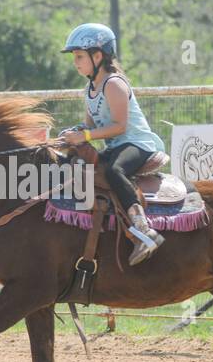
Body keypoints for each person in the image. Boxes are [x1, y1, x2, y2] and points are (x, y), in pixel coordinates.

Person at [59, 22, 167, 265]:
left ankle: (144, 229)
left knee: (115, 171)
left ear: (98, 56)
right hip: (116, 146)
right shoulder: (90, 89)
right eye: (74, 57)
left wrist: (85, 137)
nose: (75, 62)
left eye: (79, 56)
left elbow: (119, 126)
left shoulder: (114, 84)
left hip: (137, 143)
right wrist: (73, 134)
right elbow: (90, 127)